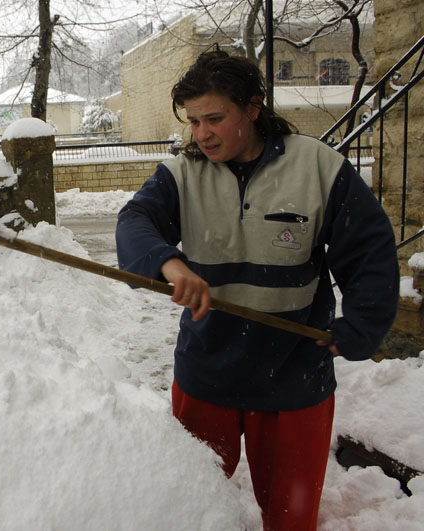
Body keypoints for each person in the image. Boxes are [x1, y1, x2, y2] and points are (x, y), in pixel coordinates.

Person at [116, 50, 399, 531]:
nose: (201, 134)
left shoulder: (317, 167)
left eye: (214, 119)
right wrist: (169, 263)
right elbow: (135, 221)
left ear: (252, 107)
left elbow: (370, 251)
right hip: (206, 372)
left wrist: (363, 325)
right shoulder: (181, 176)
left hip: (294, 374)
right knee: (189, 508)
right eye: (193, 121)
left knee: (291, 516)